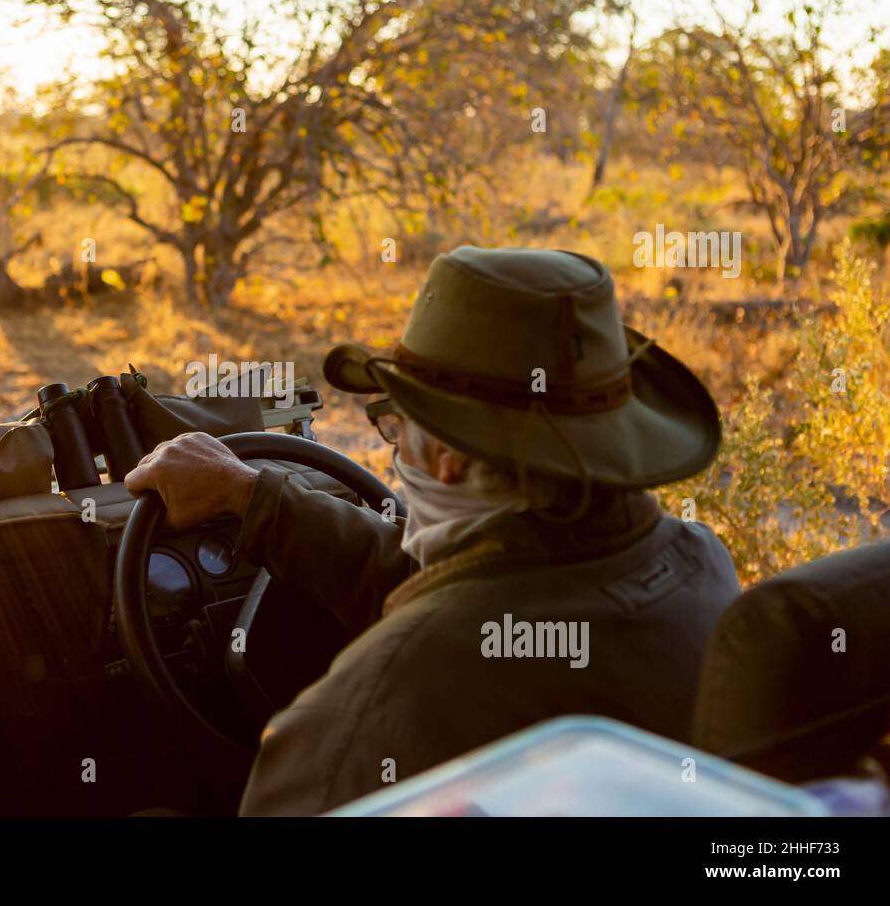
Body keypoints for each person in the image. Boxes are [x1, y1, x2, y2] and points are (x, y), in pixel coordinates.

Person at [125, 245, 741, 815]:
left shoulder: (366, 712)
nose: (394, 448)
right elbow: (475, 586)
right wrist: (255, 499)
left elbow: (452, 628)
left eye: (395, 424)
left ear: (446, 455)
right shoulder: (700, 563)